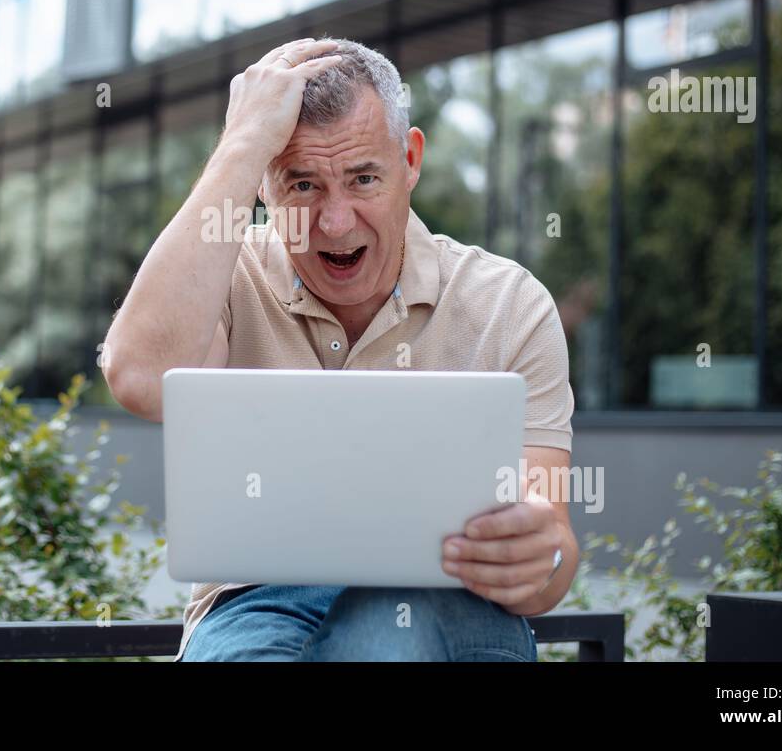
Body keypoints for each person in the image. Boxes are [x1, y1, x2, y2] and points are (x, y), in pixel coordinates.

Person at [102, 36, 578, 661]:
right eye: (301, 184)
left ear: (410, 161)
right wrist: (241, 142)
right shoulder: (225, 275)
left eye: (363, 178)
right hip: (259, 603)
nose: (335, 222)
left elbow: (553, 558)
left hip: (454, 600)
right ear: (264, 188)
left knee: (385, 633)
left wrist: (536, 559)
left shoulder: (508, 304)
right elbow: (139, 375)